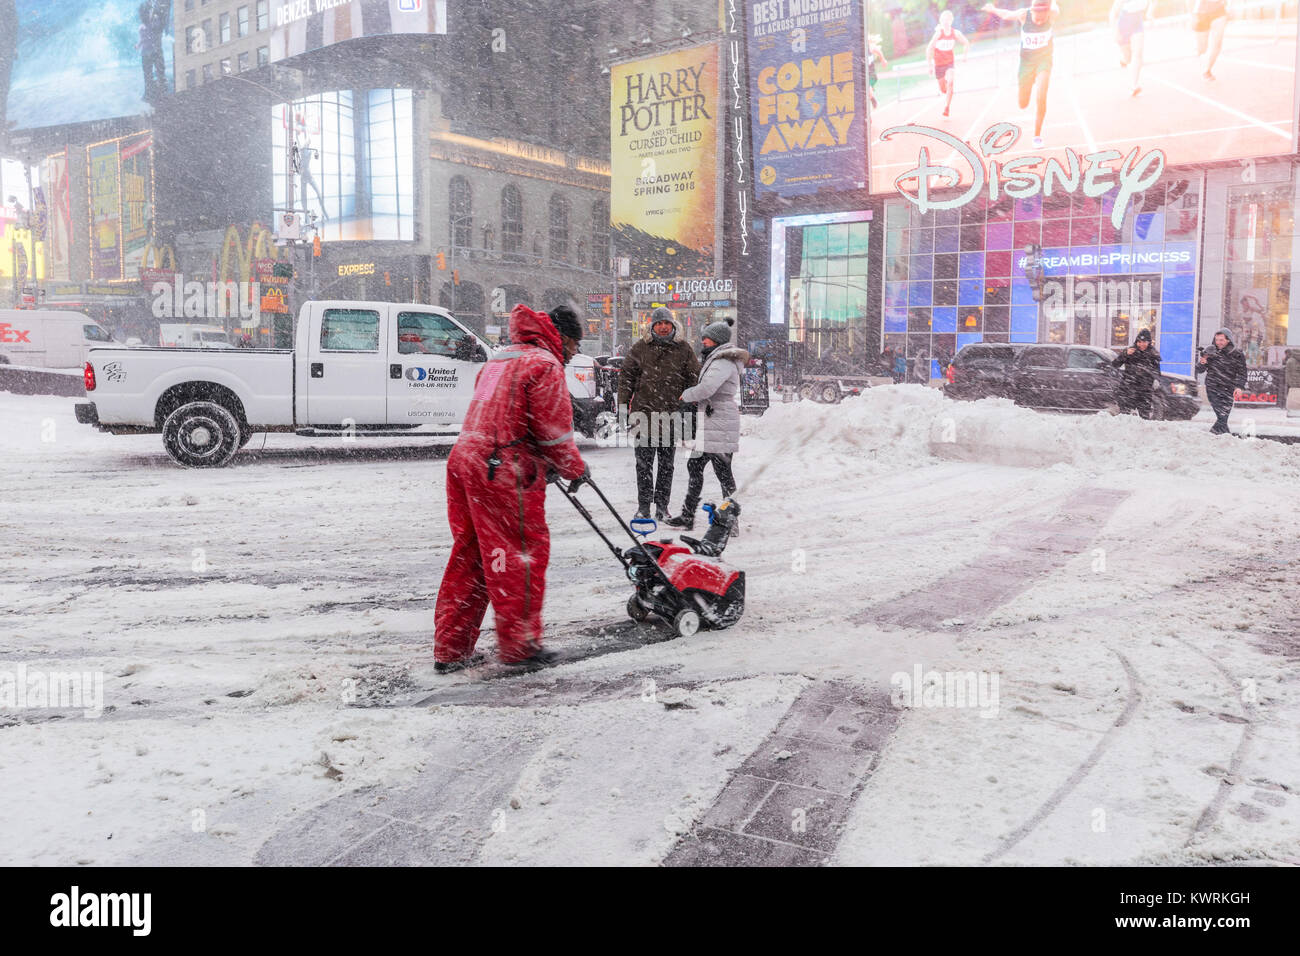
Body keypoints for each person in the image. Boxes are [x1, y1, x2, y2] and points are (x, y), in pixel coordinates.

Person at [432, 303, 587, 672]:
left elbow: (504, 414)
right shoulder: (543, 366)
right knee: (519, 555)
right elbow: (555, 435)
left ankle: (451, 649)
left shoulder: (500, 359)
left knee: (471, 557)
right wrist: (573, 469)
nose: (575, 352)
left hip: (466, 461)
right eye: (575, 344)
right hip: (502, 470)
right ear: (562, 337)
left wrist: (539, 459)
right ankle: (520, 647)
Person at [663, 319, 748, 531]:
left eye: (707, 337)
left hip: (720, 423)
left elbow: (708, 387)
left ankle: (729, 520)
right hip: (713, 421)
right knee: (696, 466)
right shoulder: (717, 359)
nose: (703, 340)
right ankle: (688, 515)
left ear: (717, 340)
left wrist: (687, 395)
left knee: (723, 473)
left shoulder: (722, 362)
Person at [617, 306, 700, 520]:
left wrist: (688, 405)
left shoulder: (684, 349)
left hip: (671, 417)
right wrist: (623, 407)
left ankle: (662, 507)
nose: (663, 327)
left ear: (673, 325)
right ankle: (644, 506)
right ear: (652, 326)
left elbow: (693, 379)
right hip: (643, 416)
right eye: (659, 323)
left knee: (666, 466)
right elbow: (626, 379)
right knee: (643, 465)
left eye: (666, 323)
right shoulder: (640, 348)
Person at [983, 0, 1059, 149]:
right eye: (1037, 17)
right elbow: (1006, 15)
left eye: (1042, 18)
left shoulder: (1053, 13)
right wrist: (993, 9)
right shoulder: (1024, 14)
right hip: (1026, 64)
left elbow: (1054, 5)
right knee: (1023, 103)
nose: (1039, 20)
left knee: (1041, 96)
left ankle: (1037, 136)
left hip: (1044, 60)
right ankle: (1027, 83)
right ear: (1032, 11)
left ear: (1047, 13)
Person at [1198, 327, 1248, 435]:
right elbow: (1200, 370)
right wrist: (1202, 362)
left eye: (1221, 340)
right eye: (1216, 340)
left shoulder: (1237, 354)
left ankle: (1218, 435)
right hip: (1213, 387)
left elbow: (1242, 372)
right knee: (1222, 415)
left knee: (1223, 416)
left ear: (1228, 340)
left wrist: (1239, 387)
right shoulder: (1211, 351)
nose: (1218, 343)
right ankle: (1221, 437)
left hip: (1228, 388)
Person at [927, 10, 971, 119]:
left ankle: (947, 107)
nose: (946, 22)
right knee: (943, 89)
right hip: (938, 64)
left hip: (949, 63)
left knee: (951, 82)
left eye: (948, 20)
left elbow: (966, 43)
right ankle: (948, 90)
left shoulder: (955, 33)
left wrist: (965, 55)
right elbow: (929, 48)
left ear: (951, 21)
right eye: (944, 20)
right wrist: (930, 65)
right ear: (941, 21)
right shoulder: (938, 34)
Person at [1111, 328, 1161, 418]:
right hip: (1128, 388)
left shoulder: (1153, 354)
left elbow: (1157, 371)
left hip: (1144, 390)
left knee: (1144, 415)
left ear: (1149, 342)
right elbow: (1115, 364)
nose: (1141, 344)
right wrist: (1125, 354)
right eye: (1139, 342)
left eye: (1144, 342)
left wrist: (1156, 380)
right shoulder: (1130, 351)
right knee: (1124, 415)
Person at [1111, 0, 1155, 97]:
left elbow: (1153, 2)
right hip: (1123, 25)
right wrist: (1115, 32)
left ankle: (1134, 85)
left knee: (1138, 54)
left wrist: (1149, 14)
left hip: (1137, 24)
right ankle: (1123, 59)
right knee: (1128, 59)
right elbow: (1113, 13)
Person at [1192, 0, 1230, 80]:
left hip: (1219, 11)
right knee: (1202, 50)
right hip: (1201, 13)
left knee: (1217, 44)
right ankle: (1202, 60)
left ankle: (1207, 71)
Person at [868, 34, 890, 108]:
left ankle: (872, 98)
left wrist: (883, 60)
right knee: (867, 92)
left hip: (871, 74)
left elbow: (879, 52)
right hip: (863, 75)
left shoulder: (871, 47)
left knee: (868, 91)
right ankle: (871, 98)